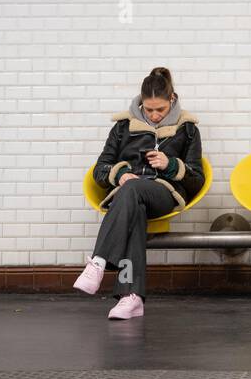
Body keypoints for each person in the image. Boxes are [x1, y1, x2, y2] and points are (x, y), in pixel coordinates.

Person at [73, 67, 204, 319]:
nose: (154, 115)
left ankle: (98, 262)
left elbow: (197, 179)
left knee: (131, 190)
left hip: (163, 193)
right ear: (141, 102)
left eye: (161, 110)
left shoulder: (187, 129)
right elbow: (100, 169)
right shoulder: (123, 126)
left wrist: (171, 165)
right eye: (148, 109)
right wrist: (120, 174)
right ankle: (131, 298)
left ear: (172, 100)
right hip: (129, 197)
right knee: (134, 207)